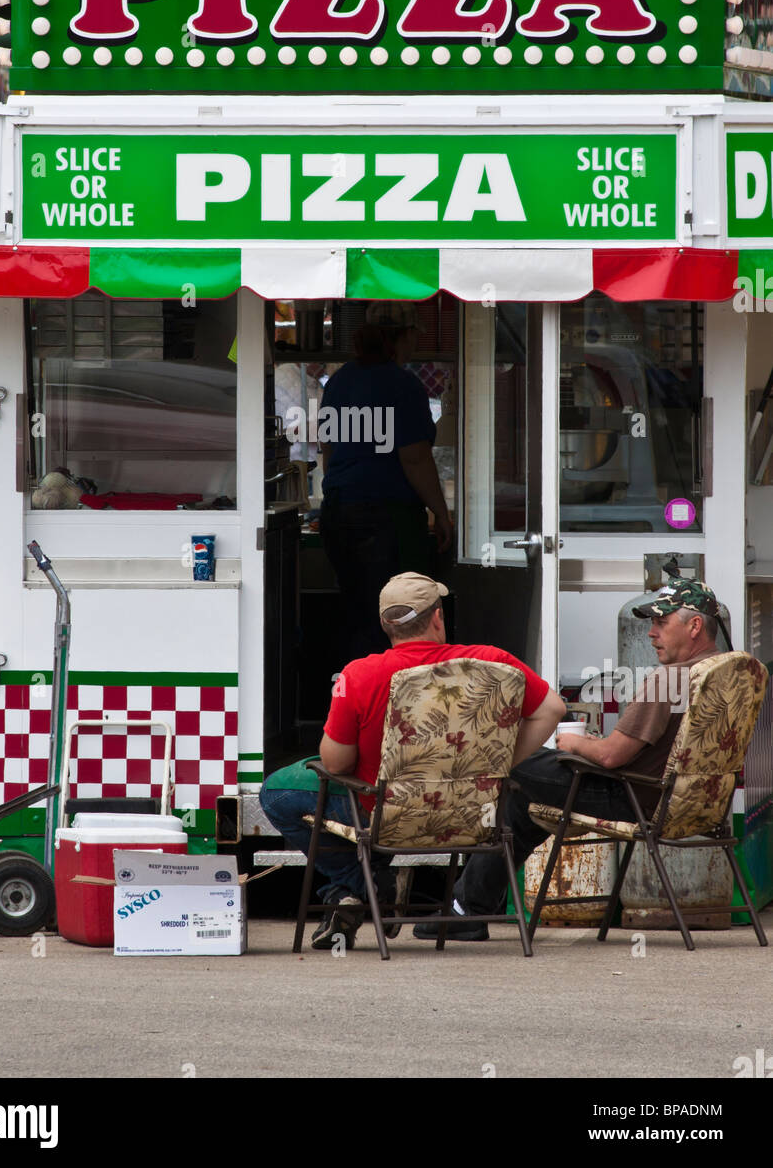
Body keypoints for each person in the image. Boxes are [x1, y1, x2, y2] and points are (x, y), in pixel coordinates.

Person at [259, 571, 565, 950]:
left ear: (386, 624)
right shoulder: (492, 662)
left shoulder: (360, 674)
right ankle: (354, 890)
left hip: (387, 816)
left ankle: (362, 887)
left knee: (275, 791)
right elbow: (553, 708)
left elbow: (335, 765)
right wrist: (493, 768)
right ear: (437, 617)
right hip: (471, 813)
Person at [414, 577, 727, 941]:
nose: (651, 634)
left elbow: (611, 756)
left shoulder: (671, 678)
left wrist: (575, 745)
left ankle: (467, 909)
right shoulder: (729, 672)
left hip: (633, 799)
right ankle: (467, 908)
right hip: (692, 803)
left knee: (510, 766)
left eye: (661, 623)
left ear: (694, 626)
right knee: (522, 801)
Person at [319, 302, 453, 661]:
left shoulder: (338, 382)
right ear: (402, 338)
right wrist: (441, 514)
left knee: (357, 611)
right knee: (399, 615)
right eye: (413, 337)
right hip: (385, 519)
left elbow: (328, 452)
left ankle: (356, 695)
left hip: (338, 514)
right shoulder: (402, 385)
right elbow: (415, 458)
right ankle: (391, 702)